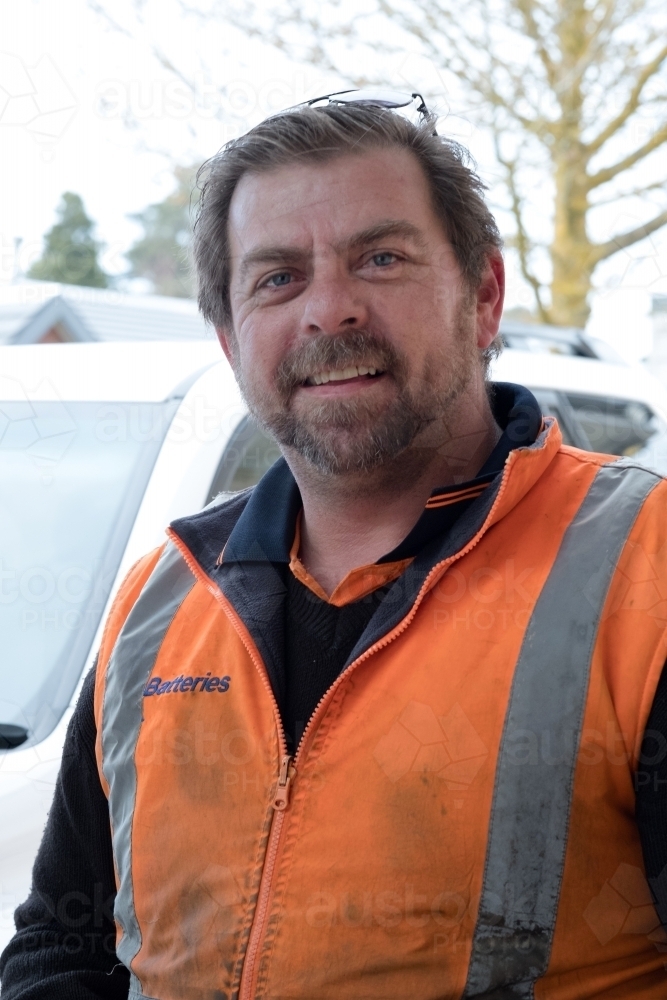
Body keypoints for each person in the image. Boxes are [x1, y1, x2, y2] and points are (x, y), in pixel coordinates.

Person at [2, 92, 667, 1000]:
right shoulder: (162, 601)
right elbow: (61, 946)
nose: (329, 310)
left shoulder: (645, 569)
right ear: (233, 340)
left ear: (482, 296)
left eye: (380, 259)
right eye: (277, 277)